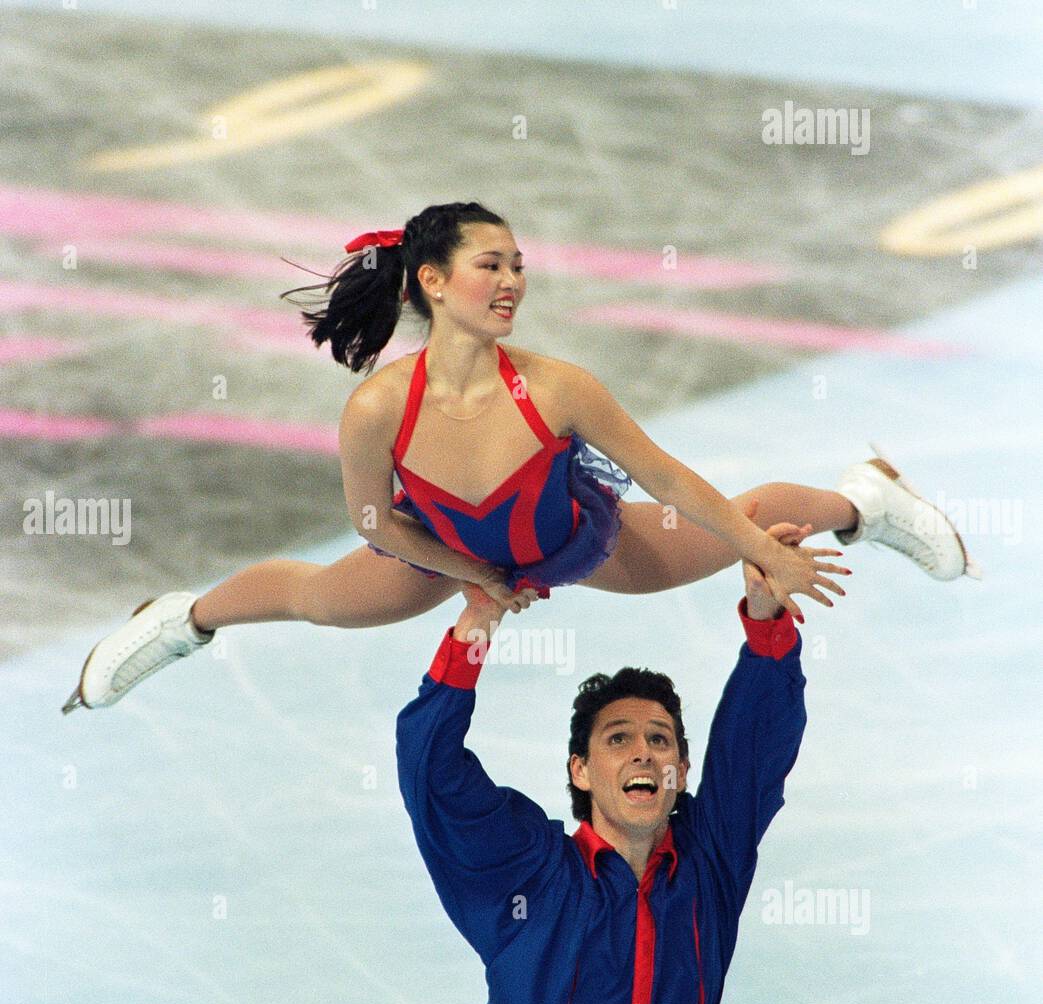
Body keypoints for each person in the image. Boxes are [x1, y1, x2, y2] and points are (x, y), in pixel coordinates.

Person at [61, 199, 976, 715]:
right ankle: (180, 620)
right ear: (432, 282)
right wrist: (468, 575)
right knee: (321, 601)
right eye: (489, 266)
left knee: (749, 518)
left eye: (518, 265)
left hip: (575, 540)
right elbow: (372, 521)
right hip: (440, 547)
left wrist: (769, 552)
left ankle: (863, 501)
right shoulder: (378, 405)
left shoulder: (558, 388)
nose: (512, 283)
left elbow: (663, 478)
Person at [395, 518, 823, 1004]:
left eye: (661, 741)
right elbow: (433, 777)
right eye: (618, 739)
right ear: (580, 771)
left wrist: (764, 622)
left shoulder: (707, 866)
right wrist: (474, 629)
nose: (643, 754)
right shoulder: (529, 874)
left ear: (681, 770)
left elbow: (753, 754)